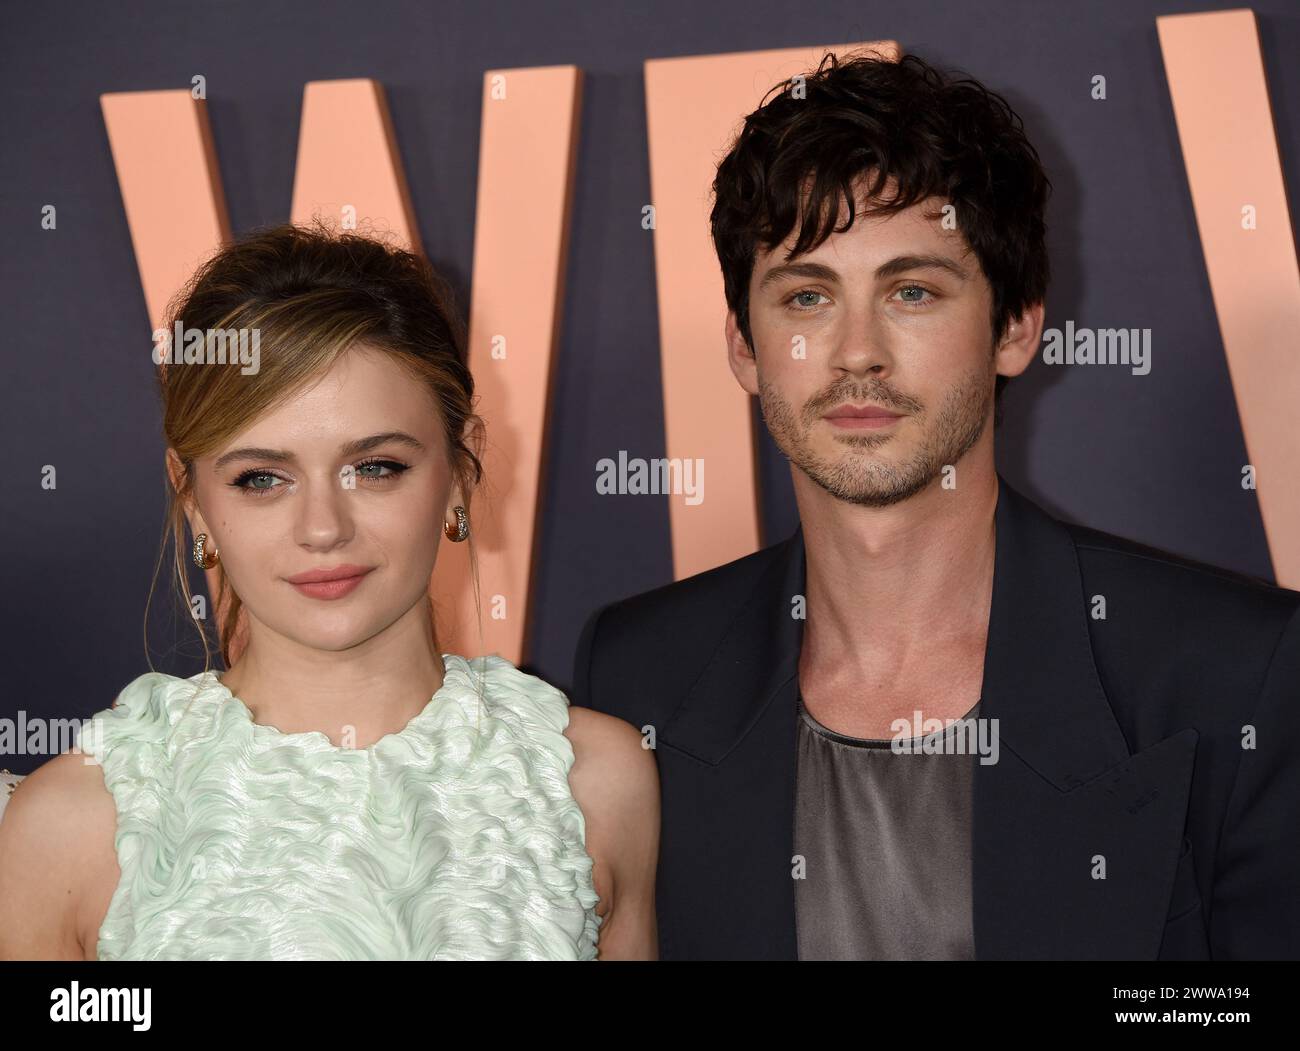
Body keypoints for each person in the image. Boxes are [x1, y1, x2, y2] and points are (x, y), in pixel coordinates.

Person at [572, 51, 1300, 960]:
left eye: (912, 291)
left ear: (1016, 325)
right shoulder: (637, 677)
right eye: (807, 296)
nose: (857, 354)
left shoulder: (1237, 674)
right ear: (745, 347)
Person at [0, 223, 658, 960]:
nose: (322, 528)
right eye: (261, 478)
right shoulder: (68, 826)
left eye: (374, 466)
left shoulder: (596, 782)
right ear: (193, 502)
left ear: (459, 472)